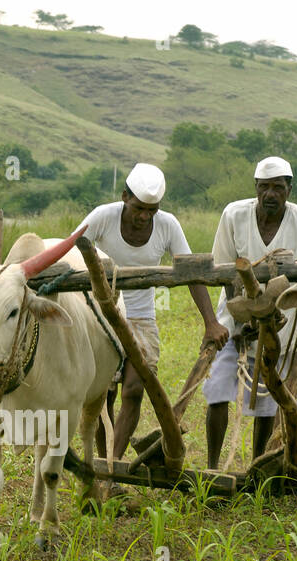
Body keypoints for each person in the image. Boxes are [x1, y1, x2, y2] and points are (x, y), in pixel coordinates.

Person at [77, 163, 228, 463]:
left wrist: (211, 322)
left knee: (133, 390)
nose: (144, 216)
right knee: (103, 398)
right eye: (138, 208)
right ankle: (106, 464)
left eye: (152, 210)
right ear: (124, 197)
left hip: (141, 319)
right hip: (101, 317)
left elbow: (191, 272)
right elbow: (70, 250)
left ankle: (112, 467)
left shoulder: (168, 225)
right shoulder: (102, 217)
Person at [203, 156, 297, 469]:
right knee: (218, 392)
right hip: (235, 325)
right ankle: (212, 467)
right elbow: (223, 270)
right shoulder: (234, 215)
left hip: (283, 326)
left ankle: (258, 466)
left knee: (268, 400)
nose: (270, 194)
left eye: (277, 187)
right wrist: (243, 315)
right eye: (264, 187)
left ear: (289, 190)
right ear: (256, 188)